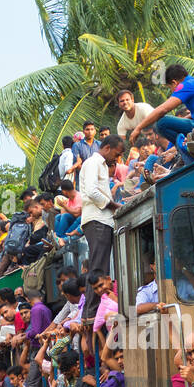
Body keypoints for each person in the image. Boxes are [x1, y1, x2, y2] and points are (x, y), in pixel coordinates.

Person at [78, 135, 128, 320]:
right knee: (98, 268)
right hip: (97, 219)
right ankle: (91, 312)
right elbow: (91, 191)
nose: (117, 158)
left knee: (102, 267)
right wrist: (114, 205)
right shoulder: (93, 163)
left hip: (102, 220)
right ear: (107, 148)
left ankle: (97, 309)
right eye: (117, 153)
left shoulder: (101, 165)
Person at [128, 64, 194, 153]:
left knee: (162, 122)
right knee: (179, 125)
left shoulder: (185, 86)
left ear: (174, 82)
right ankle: (181, 148)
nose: (172, 91)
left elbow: (163, 109)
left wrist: (138, 128)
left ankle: (186, 150)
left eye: (170, 87)